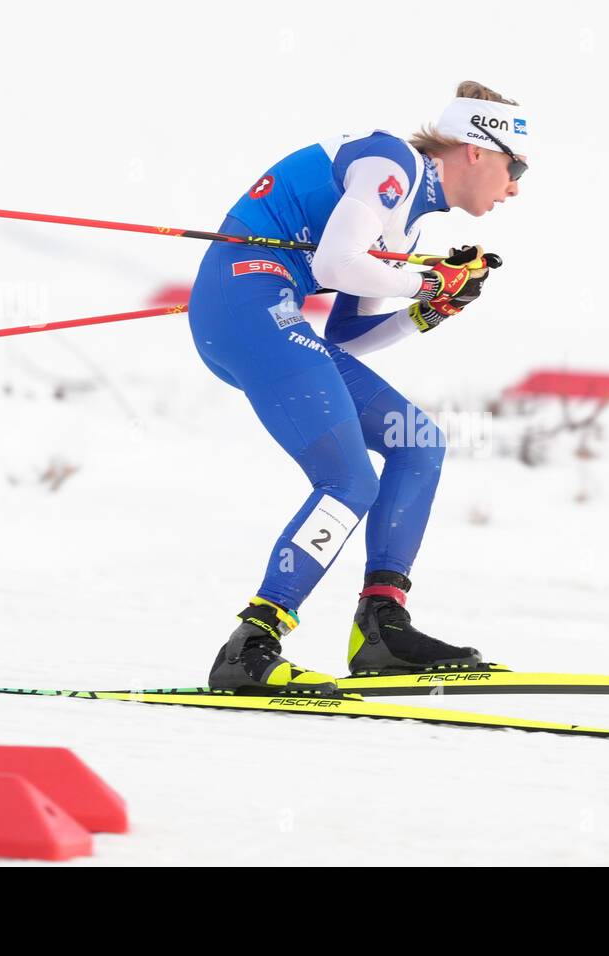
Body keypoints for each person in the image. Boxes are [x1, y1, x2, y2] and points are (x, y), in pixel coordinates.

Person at [187, 80, 528, 696]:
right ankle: (251, 644)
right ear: (475, 150)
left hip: (273, 315)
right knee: (349, 482)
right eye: (515, 165)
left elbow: (342, 341)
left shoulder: (407, 228)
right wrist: (422, 282)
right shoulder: (389, 163)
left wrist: (426, 310)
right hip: (244, 300)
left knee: (418, 442)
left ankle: (382, 628)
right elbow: (335, 264)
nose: (516, 186)